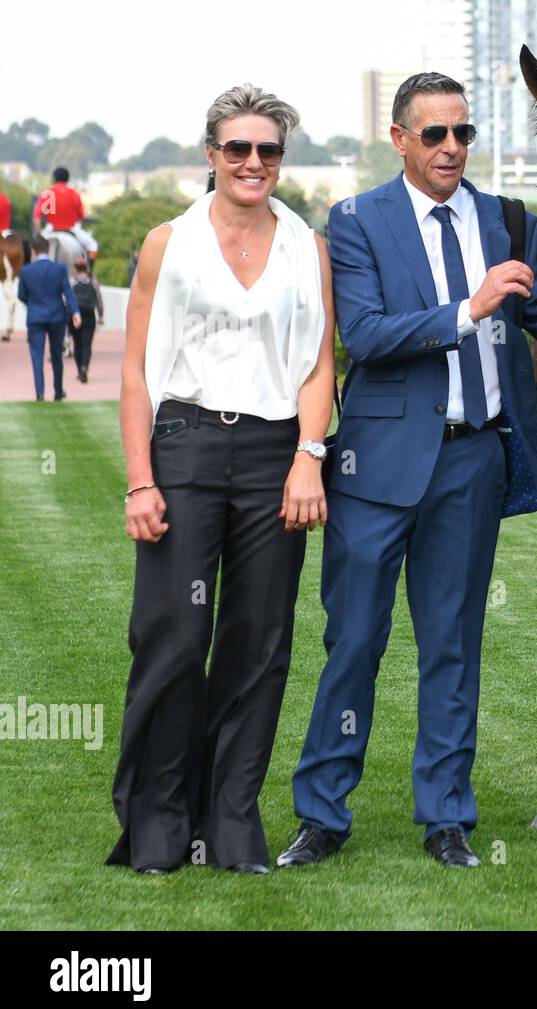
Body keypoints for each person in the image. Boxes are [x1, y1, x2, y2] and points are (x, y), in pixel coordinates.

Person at [277, 71, 537, 871]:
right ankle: (322, 814)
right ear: (399, 139)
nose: (451, 148)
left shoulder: (506, 219)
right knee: (354, 640)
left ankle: (447, 816)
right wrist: (470, 307)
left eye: (461, 132)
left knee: (452, 646)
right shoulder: (356, 219)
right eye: (434, 134)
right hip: (373, 466)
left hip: (471, 460)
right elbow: (363, 333)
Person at [107, 84, 335, 875]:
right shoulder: (168, 243)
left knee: (260, 643)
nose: (252, 162)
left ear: (280, 159)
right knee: (171, 636)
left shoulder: (308, 244)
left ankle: (233, 823)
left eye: (267, 149)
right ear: (211, 155)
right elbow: (136, 372)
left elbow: (318, 363)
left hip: (276, 454)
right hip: (186, 444)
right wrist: (141, 480)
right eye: (236, 148)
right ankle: (160, 823)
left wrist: (310, 455)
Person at [17, 235, 80, 400]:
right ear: (48, 249)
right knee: (56, 356)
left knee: (37, 356)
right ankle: (58, 392)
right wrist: (75, 312)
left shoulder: (26, 270)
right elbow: (67, 292)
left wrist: (33, 303)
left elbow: (21, 295)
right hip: (57, 316)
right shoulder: (59, 269)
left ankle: (40, 393)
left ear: (33, 250)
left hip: (35, 316)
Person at [34, 167, 98, 268]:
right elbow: (80, 216)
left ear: (53, 179)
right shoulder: (74, 194)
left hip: (50, 230)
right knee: (93, 245)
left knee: (34, 249)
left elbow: (37, 216)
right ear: (67, 179)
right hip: (71, 229)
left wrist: (38, 234)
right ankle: (88, 273)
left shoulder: (47, 193)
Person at [68, 257, 103, 383]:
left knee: (77, 344)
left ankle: (79, 370)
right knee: (87, 344)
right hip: (89, 315)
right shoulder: (93, 282)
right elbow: (99, 299)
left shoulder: (72, 281)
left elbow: (66, 299)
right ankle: (84, 367)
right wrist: (101, 316)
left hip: (75, 316)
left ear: (76, 268)